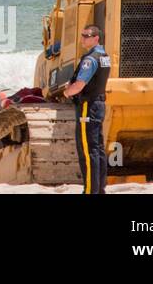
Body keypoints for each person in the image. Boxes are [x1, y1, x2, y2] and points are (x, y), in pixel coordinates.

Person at [62, 24, 110, 194]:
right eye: (82, 35)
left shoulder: (90, 59)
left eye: (86, 36)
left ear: (96, 38)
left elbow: (80, 85)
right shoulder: (104, 56)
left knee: (88, 151)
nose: (83, 38)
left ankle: (90, 190)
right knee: (98, 149)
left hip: (87, 107)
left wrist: (68, 92)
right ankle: (100, 189)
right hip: (99, 104)